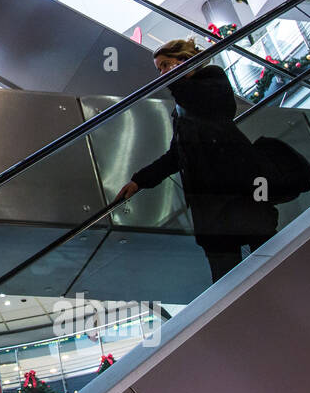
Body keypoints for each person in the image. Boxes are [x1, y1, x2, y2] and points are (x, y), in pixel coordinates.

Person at [115, 38, 277, 283]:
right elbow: (175, 155)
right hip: (207, 200)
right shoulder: (179, 108)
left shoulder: (212, 78)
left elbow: (214, 108)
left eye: (166, 65)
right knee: (224, 274)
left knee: (267, 251)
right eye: (159, 69)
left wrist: (177, 78)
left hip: (238, 186)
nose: (162, 73)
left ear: (184, 60)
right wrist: (139, 181)